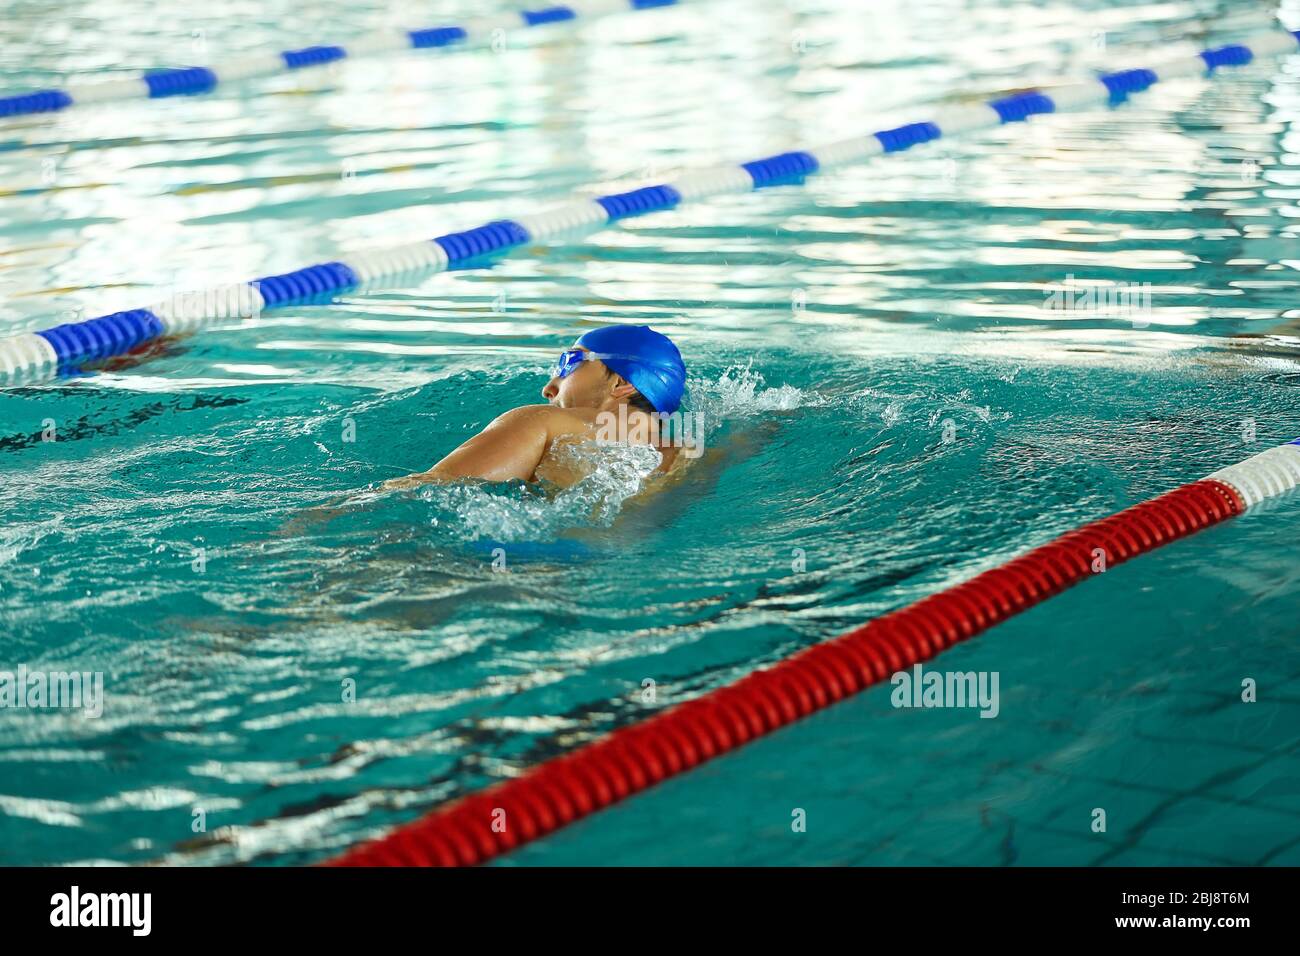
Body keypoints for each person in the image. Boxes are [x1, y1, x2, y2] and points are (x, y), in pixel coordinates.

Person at [383, 324, 687, 488]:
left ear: (621, 383)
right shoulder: (687, 457)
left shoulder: (544, 422)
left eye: (569, 362)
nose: (549, 387)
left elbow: (427, 492)